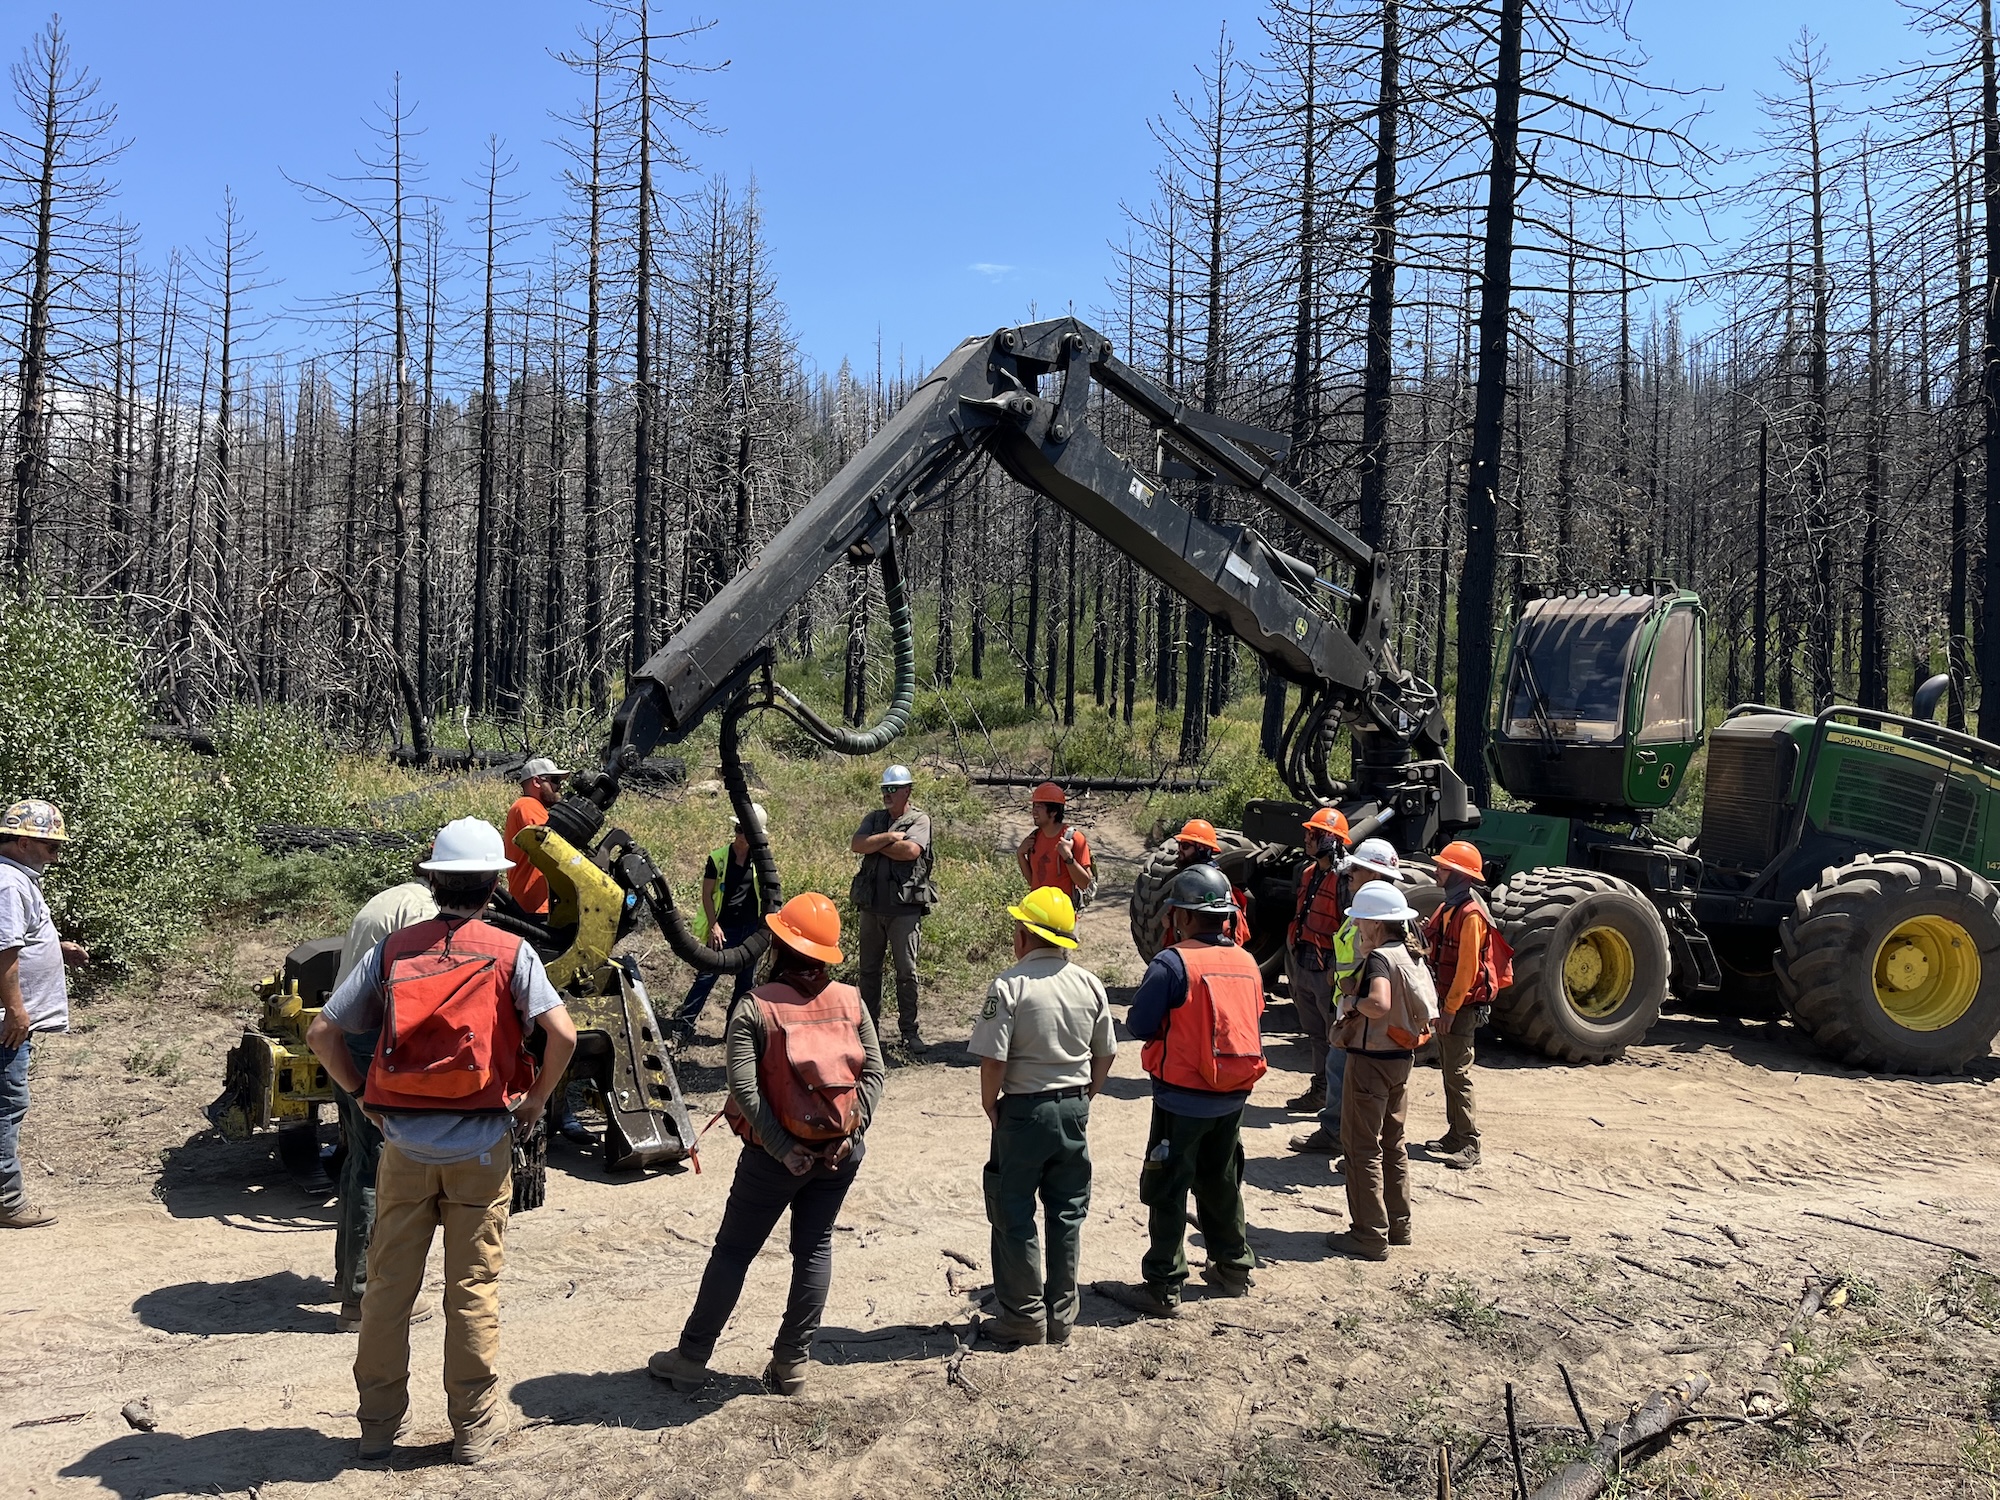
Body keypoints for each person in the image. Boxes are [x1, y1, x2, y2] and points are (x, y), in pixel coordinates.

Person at [306, 818, 578, 1466]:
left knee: (387, 1290)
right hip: (481, 1148)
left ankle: (377, 1428)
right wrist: (534, 1101)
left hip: (404, 1148)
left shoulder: (393, 951)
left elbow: (322, 1033)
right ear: (492, 886)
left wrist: (365, 1097)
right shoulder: (511, 951)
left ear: (434, 883)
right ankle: (473, 1429)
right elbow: (563, 1035)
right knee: (472, 1290)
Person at [648, 893, 886, 1397]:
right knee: (814, 1248)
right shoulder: (851, 1000)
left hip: (773, 1160)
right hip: (838, 1155)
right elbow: (874, 1074)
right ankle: (792, 1364)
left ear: (778, 945)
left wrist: (781, 1147)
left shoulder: (755, 1007)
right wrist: (850, 1134)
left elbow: (743, 1089)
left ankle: (690, 1360)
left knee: (734, 1252)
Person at [1101, 865, 1266, 1318]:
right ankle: (1233, 1268)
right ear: (1226, 917)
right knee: (1222, 1180)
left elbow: (1139, 1024)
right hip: (1232, 1096)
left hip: (1181, 1098)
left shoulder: (1172, 963)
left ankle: (1163, 1285)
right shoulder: (1247, 962)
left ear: (1184, 916)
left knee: (1168, 1187)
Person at [968, 886, 1115, 1349]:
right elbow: (1105, 1052)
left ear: (1025, 934)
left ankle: (1024, 1316)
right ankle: (1061, 1314)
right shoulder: (1089, 984)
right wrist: (1086, 1096)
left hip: (1024, 1110)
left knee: (1013, 1211)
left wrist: (990, 1103)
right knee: (1067, 1211)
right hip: (1073, 1107)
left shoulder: (1009, 986)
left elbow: (993, 1059)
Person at [329, 865, 441, 1330]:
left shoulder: (392, 898)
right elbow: (417, 986)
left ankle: (348, 1278)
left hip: (345, 1034)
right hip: (372, 1039)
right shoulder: (421, 911)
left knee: (358, 1160)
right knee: (379, 1166)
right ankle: (363, 1297)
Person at [1324, 881, 1438, 1262]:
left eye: (1360, 921)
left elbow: (1378, 1003)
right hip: (1400, 1058)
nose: (1356, 927)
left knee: (1361, 1146)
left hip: (1371, 1061)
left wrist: (1350, 1002)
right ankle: (1399, 1225)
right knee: (1393, 1142)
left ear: (1376, 923)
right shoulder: (1410, 953)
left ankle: (1369, 1234)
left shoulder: (1379, 959)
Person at [0, 800, 87, 1231]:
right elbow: (4, 951)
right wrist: (16, 1011)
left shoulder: (14, 879)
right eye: (51, 846)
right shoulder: (8, 884)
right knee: (6, 1106)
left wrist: (56, 948)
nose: (55, 855)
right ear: (22, 842)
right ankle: (7, 1202)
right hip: (6, 1025)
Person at [1288, 837, 1399, 1156]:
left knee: (1346, 1073)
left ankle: (1341, 1135)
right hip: (1351, 1007)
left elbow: (1380, 964)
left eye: (1357, 870)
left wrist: (1354, 994)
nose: (1349, 875)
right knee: (1344, 1072)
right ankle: (1349, 1136)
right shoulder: (1368, 909)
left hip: (1362, 1011)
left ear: (1374, 875)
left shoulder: (1382, 914)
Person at [1419, 841, 1508, 1172]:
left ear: (1458, 874)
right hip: (1447, 1002)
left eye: (1442, 868)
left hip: (1460, 1007)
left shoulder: (1470, 915)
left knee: (1458, 1073)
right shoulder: (1448, 909)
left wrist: (1450, 1011)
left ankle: (1470, 1143)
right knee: (1449, 1071)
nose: (1436, 872)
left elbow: (1467, 970)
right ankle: (1455, 1135)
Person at [848, 764, 936, 1052]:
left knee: (906, 973)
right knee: (868, 972)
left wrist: (874, 844)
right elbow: (857, 844)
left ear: (907, 791)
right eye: (884, 789)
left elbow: (910, 851)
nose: (887, 794)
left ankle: (909, 1032)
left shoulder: (919, 820)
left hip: (904, 910)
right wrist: (888, 838)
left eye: (893, 789)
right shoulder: (874, 818)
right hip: (871, 907)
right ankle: (868, 1031)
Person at [672, 803, 770, 1039]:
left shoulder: (761, 861)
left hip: (751, 930)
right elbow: (707, 894)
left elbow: (770, 893)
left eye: (745, 831)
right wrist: (714, 925)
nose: (740, 835)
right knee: (706, 977)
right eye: (738, 829)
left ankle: (733, 1034)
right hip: (724, 930)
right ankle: (683, 1026)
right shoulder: (718, 859)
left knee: (745, 984)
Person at [1282, 807, 1349, 1113]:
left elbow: (1348, 929)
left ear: (1331, 840)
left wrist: (1337, 970)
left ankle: (1337, 1102)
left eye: (1314, 834)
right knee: (1316, 1034)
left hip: (1328, 969)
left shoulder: (1345, 878)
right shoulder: (1309, 873)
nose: (1307, 839)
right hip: (1305, 963)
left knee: (1335, 1036)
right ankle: (1321, 1091)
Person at [1161, 819, 1249, 947]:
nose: (1179, 850)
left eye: (1185, 846)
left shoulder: (1214, 881)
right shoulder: (1189, 877)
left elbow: (1223, 926)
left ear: (1202, 848)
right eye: (1179, 844)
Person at [502, 757, 569, 919]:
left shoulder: (529, 807)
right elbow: (553, 843)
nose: (559, 786)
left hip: (533, 905)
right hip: (535, 907)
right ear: (537, 782)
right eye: (554, 780)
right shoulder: (527, 805)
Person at [1014, 782, 1094, 905]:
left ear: (1053, 812)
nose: (1034, 811)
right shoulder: (1034, 838)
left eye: (1039, 807)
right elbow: (1033, 882)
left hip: (1062, 911)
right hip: (1038, 908)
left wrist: (1068, 858)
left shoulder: (1074, 838)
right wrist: (1020, 855)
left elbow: (1085, 884)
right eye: (1034, 806)